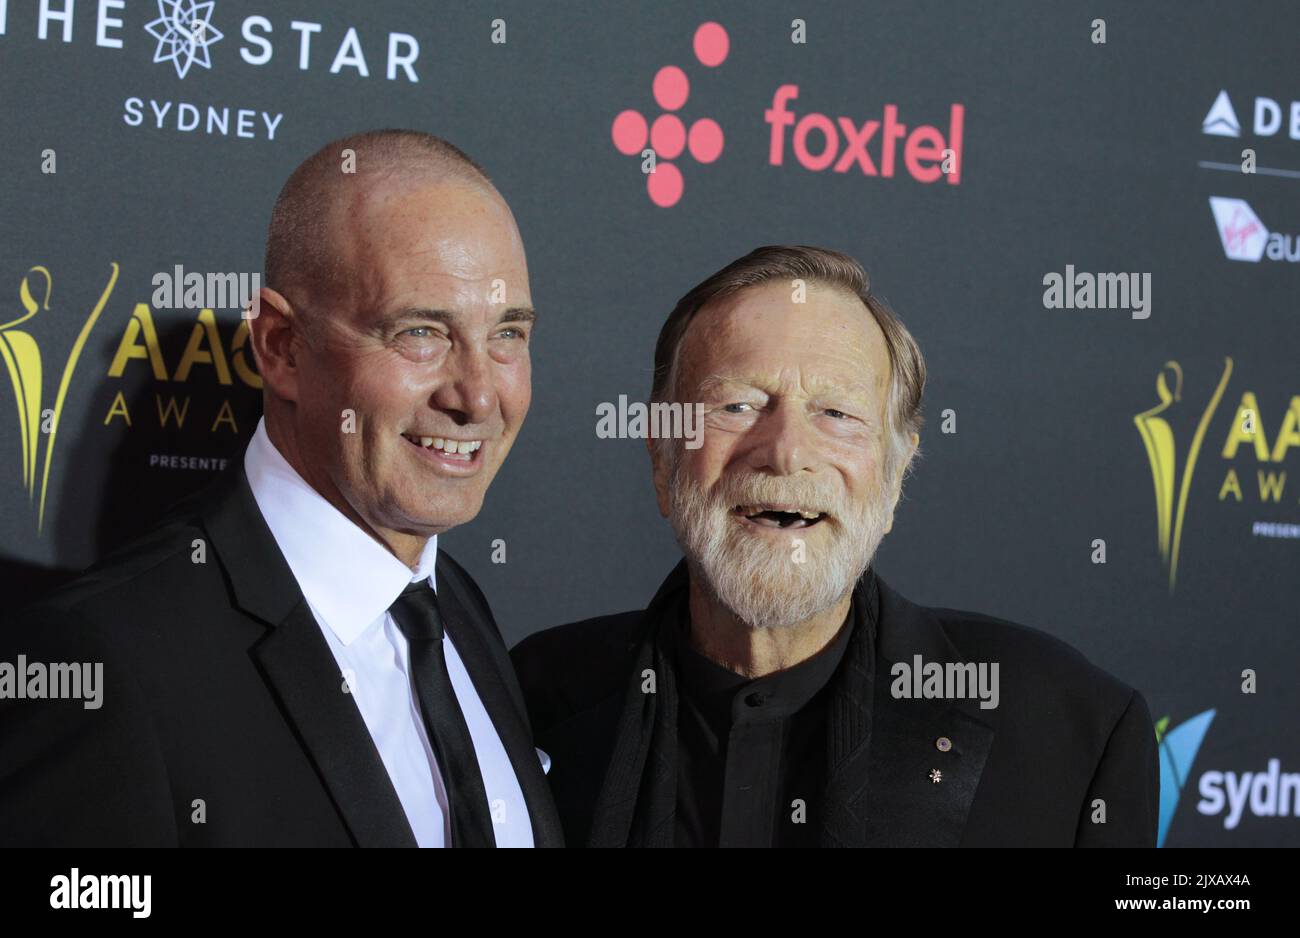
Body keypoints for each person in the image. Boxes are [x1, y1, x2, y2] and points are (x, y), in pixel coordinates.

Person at [0, 129, 561, 847]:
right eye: (422, 332)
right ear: (282, 349)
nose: (479, 395)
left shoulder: (459, 612)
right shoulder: (107, 664)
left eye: (508, 334)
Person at [511, 245, 1158, 847]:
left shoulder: (1070, 730)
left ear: (897, 473)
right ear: (662, 459)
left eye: (838, 414)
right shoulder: (527, 701)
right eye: (736, 405)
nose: (787, 451)